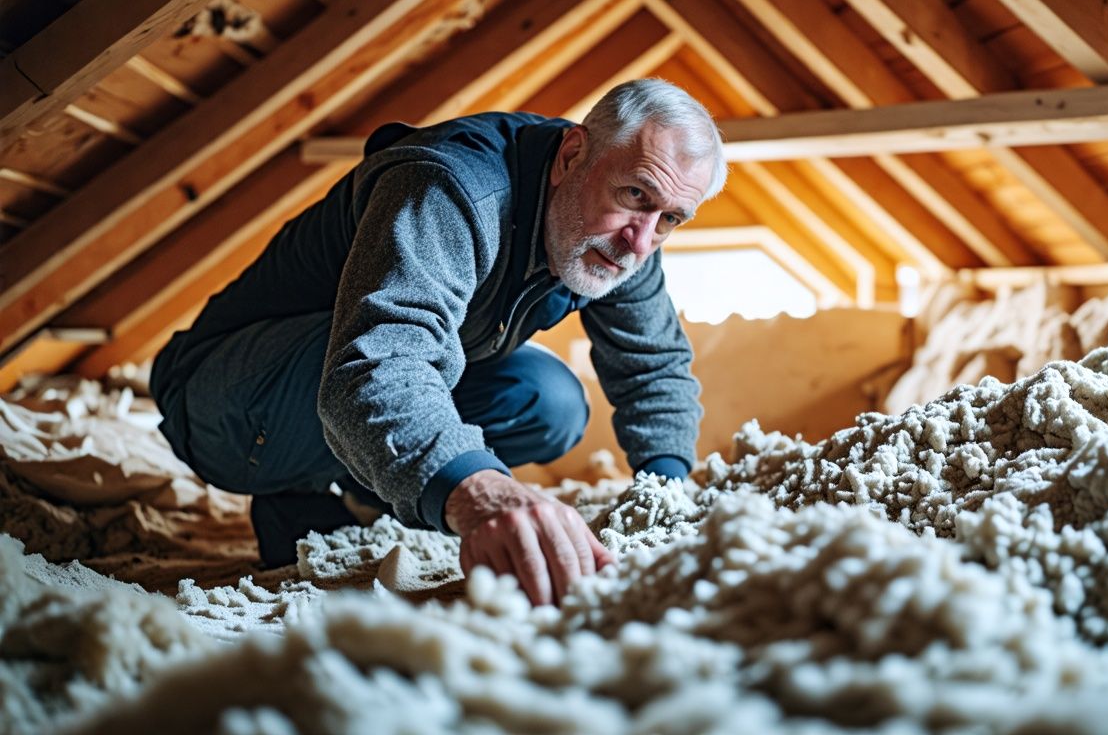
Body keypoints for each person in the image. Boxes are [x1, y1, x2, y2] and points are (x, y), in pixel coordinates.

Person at [149, 79, 727, 606]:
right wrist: (479, 492)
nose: (641, 241)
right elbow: (378, 363)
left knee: (549, 398)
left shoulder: (628, 234)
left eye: (671, 219)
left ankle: (352, 496)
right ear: (572, 155)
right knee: (390, 365)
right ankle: (291, 487)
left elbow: (653, 365)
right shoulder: (451, 187)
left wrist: (666, 496)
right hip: (228, 405)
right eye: (634, 194)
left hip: (335, 385)